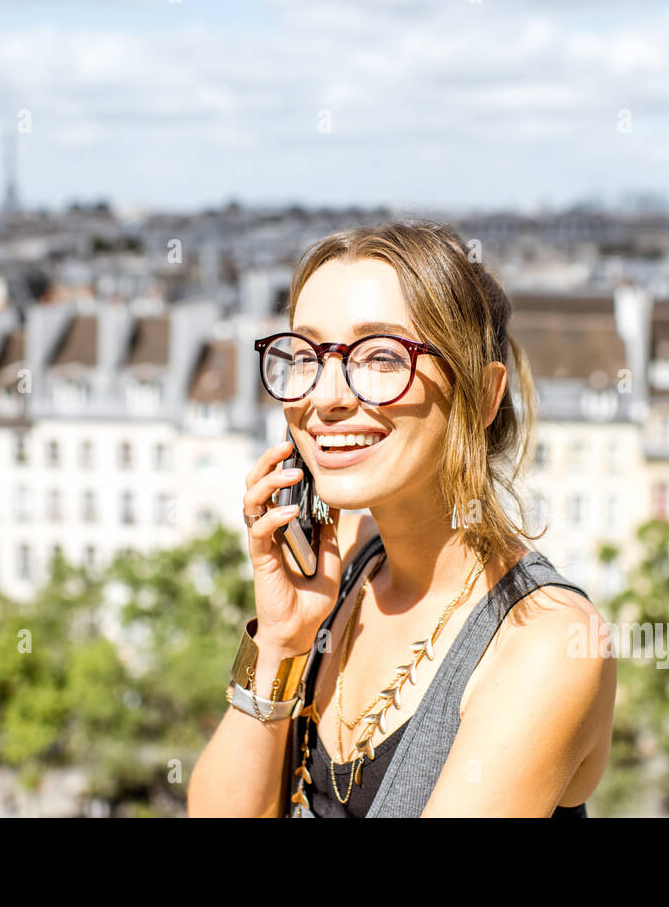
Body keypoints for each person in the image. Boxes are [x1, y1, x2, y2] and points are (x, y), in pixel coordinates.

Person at [188, 220, 616, 817]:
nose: (325, 397)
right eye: (307, 354)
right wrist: (282, 642)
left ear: (484, 396)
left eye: (382, 357)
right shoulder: (347, 568)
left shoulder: (548, 645)